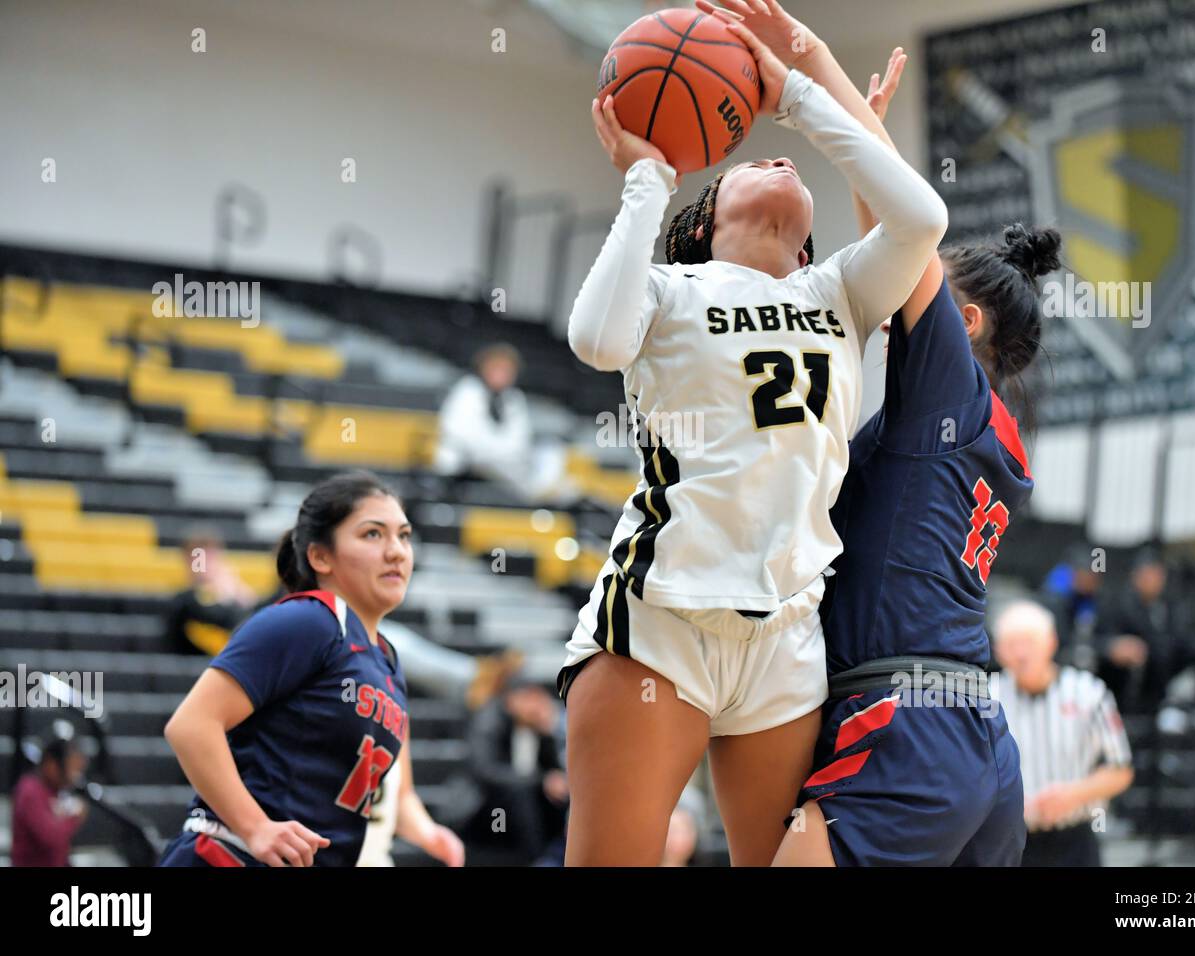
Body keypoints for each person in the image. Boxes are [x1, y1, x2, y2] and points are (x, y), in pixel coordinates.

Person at [559, 7, 947, 865]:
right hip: (662, 622)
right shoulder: (667, 288)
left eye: (786, 159)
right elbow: (596, 340)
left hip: (787, 635)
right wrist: (646, 178)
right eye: (750, 161)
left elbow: (921, 221)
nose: (776, 157)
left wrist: (794, 93)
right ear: (702, 221)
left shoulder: (837, 291)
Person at [712, 0, 1043, 867]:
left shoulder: (951, 385)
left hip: (905, 722)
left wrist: (809, 63)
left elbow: (909, 235)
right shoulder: (990, 430)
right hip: (978, 733)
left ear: (965, 321)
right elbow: (895, 252)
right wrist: (870, 148)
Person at [158, 471, 459, 867]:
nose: (397, 551)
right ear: (320, 556)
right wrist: (256, 827)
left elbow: (392, 792)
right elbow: (191, 725)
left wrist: (426, 832)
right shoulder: (310, 620)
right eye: (373, 534)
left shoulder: (387, 662)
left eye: (404, 536)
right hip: (231, 855)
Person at [991, 601, 1134, 867]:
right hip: (1007, 842)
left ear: (1051, 642)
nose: (1021, 653)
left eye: (1030, 641)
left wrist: (1073, 794)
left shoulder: (1089, 692)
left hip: (1075, 841)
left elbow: (1121, 770)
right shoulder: (986, 698)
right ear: (998, 651)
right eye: (1012, 643)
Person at [433, 343, 571, 504]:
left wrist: (503, 456)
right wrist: (498, 454)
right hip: (464, 473)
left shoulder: (513, 398)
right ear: (484, 367)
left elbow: (519, 443)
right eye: (497, 368)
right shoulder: (467, 391)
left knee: (552, 452)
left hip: (505, 471)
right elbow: (463, 438)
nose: (502, 375)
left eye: (507, 370)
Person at [1096, 546, 1195, 716]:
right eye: (1148, 575)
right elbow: (1104, 638)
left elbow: (1178, 636)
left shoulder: (1169, 604)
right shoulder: (1119, 603)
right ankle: (1137, 711)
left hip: (1163, 660)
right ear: (1136, 576)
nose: (1154, 580)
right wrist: (1116, 645)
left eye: (1158, 575)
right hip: (1134, 667)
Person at [466, 681, 568, 865]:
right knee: (520, 795)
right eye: (532, 700)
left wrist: (548, 733)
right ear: (515, 700)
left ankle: (559, 855)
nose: (538, 708)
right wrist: (540, 781)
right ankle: (536, 859)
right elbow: (486, 772)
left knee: (562, 794)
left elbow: (553, 772)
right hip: (489, 807)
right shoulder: (490, 720)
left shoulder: (538, 728)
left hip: (529, 803)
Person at [165, 527, 259, 656]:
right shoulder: (182, 601)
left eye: (211, 557)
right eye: (198, 558)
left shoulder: (235, 594)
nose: (204, 564)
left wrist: (237, 594)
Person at [10, 737, 89, 867]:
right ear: (51, 765)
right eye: (71, 769)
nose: (74, 778)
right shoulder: (30, 791)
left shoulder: (56, 792)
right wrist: (74, 817)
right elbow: (51, 838)